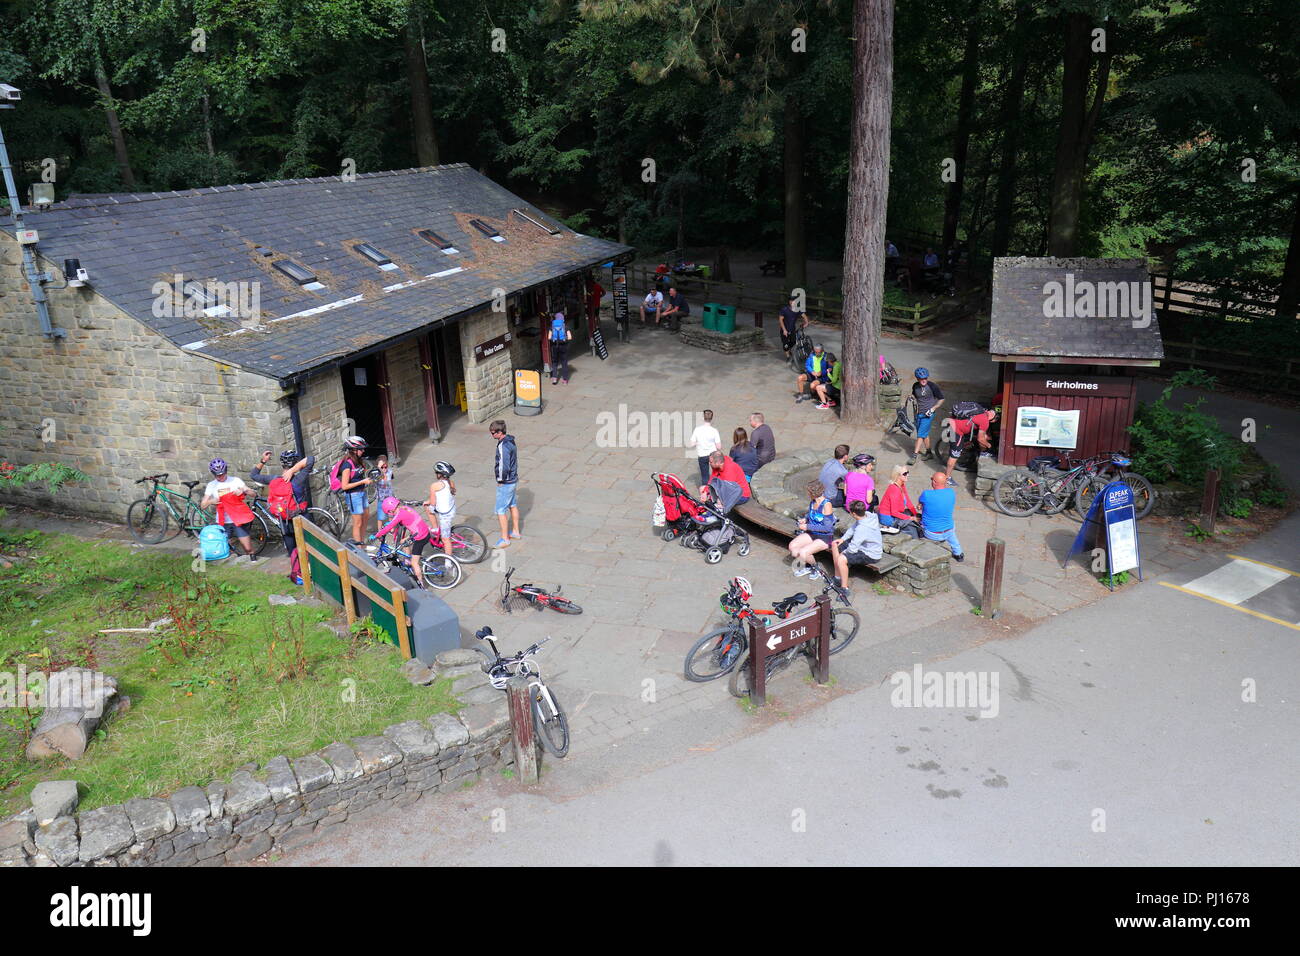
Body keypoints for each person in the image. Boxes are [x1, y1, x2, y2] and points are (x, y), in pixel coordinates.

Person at [250, 448, 315, 584]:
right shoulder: (298, 478)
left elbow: (254, 475)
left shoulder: (273, 479)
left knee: (292, 549)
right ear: (295, 462)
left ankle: (296, 574)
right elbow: (310, 459)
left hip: (284, 521)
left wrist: (263, 461)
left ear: (282, 464)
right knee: (307, 546)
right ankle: (309, 573)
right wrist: (294, 470)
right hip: (301, 517)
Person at [201, 458, 258, 562]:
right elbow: (203, 505)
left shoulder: (235, 481)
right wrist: (211, 501)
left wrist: (244, 490)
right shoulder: (211, 485)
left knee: (248, 547)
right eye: (218, 475)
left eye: (222, 474)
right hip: (223, 521)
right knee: (225, 546)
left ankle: (252, 560)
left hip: (238, 520)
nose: (221, 477)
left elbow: (253, 494)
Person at [373, 498, 433, 587]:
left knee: (415, 563)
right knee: (403, 541)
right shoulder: (404, 508)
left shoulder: (399, 515)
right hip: (423, 531)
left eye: (389, 512)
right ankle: (407, 561)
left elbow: (389, 526)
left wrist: (376, 535)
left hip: (420, 537)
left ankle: (421, 585)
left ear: (390, 510)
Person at [831, 500, 886, 590]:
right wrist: (842, 539)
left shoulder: (862, 529)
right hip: (862, 547)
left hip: (870, 554)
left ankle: (844, 588)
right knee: (835, 544)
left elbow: (852, 549)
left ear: (853, 514)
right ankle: (837, 578)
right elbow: (853, 528)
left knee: (841, 559)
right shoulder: (868, 515)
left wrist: (843, 553)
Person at [789, 479, 836, 576]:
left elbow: (827, 528)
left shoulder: (826, 505)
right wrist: (805, 519)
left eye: (809, 492)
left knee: (803, 552)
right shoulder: (813, 502)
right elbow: (811, 514)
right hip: (812, 533)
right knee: (793, 548)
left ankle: (816, 568)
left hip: (824, 537)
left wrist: (807, 526)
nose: (807, 494)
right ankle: (809, 565)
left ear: (814, 493)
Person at [918, 472, 964, 562]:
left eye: (932, 479)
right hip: (949, 530)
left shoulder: (926, 494)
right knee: (952, 533)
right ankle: (958, 554)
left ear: (934, 482)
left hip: (932, 533)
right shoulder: (951, 492)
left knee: (918, 521)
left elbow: (920, 503)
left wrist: (920, 505)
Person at [336, 436, 372, 546]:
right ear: (354, 450)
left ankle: (362, 544)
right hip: (353, 495)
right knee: (358, 522)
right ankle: (359, 549)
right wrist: (362, 482)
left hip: (362, 493)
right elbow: (345, 486)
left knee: (365, 518)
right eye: (361, 449)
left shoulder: (358, 461)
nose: (363, 451)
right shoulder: (347, 465)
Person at [490, 420, 521, 548]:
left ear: (500, 432)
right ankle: (515, 532)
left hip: (506, 482)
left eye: (493, 433)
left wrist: (500, 480)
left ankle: (504, 539)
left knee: (500, 510)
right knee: (512, 505)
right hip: (513, 479)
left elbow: (504, 465)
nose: (492, 435)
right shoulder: (510, 441)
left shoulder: (503, 446)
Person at [944, 407, 997, 477]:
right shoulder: (985, 422)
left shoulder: (982, 411)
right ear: (994, 418)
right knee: (954, 455)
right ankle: (947, 477)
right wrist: (988, 445)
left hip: (954, 422)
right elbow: (980, 439)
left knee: (979, 437)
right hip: (956, 430)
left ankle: (970, 447)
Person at [907, 368, 945, 465]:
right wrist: (911, 397)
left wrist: (933, 409)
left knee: (920, 435)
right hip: (919, 413)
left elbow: (941, 399)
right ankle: (929, 453)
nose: (924, 380)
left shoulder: (932, 386)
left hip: (929, 414)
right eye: (921, 378)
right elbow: (914, 394)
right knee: (924, 434)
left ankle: (914, 456)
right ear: (917, 379)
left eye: (925, 378)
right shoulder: (915, 386)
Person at [424, 460, 457, 557]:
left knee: (446, 540)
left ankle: (449, 562)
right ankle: (435, 529)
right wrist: (428, 501)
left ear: (439, 474)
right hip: (451, 509)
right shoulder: (451, 483)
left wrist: (429, 503)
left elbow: (433, 503)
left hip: (445, 515)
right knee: (428, 506)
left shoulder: (434, 486)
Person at [878, 464, 921, 538]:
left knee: (915, 517)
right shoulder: (894, 490)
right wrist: (911, 518)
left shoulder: (901, 485)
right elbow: (894, 512)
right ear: (897, 476)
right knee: (911, 523)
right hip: (889, 518)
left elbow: (908, 501)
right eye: (905, 474)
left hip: (894, 513)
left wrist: (915, 514)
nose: (907, 475)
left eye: (908, 472)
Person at [688, 409, 722, 486]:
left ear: (703, 418)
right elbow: (719, 447)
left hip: (702, 455)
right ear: (712, 418)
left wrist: (697, 443)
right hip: (713, 455)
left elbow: (691, 444)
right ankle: (717, 488)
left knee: (705, 476)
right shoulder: (714, 431)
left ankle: (705, 492)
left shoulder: (697, 430)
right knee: (716, 473)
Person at [818, 444, 851, 508]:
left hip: (820, 494)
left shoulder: (829, 462)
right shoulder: (843, 471)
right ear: (845, 456)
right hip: (831, 499)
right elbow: (850, 483)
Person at [778, 294, 809, 362]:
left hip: (792, 329)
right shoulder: (784, 310)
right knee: (785, 345)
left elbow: (804, 316)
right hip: (784, 330)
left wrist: (806, 323)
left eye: (794, 301)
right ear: (789, 302)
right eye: (791, 301)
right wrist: (784, 330)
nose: (792, 302)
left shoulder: (797, 310)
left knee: (793, 342)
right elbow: (780, 320)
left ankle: (788, 350)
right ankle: (788, 356)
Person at [548, 310, 572, 385]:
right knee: (564, 363)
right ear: (562, 318)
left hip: (554, 346)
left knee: (554, 362)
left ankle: (554, 379)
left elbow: (549, 338)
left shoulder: (552, 326)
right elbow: (570, 337)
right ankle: (565, 380)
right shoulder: (565, 326)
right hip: (563, 346)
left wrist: (554, 339)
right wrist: (563, 338)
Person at [373, 454, 395, 523]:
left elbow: (389, 481)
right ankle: (380, 530)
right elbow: (374, 481)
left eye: (385, 467)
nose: (384, 469)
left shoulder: (389, 472)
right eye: (382, 467)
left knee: (391, 514)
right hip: (381, 498)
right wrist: (379, 469)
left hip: (390, 496)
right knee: (381, 516)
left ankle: (391, 528)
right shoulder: (376, 475)